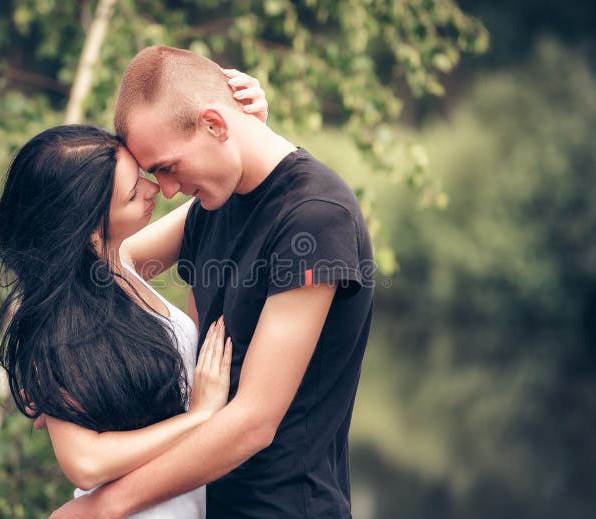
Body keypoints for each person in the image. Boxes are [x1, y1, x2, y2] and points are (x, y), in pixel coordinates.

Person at [51, 46, 374, 519]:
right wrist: (49, 370)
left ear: (215, 125)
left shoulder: (315, 217)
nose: (165, 190)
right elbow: (91, 267)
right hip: (201, 506)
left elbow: (253, 422)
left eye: (167, 167)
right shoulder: (213, 205)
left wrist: (103, 507)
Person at [0, 72, 269, 518]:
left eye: (141, 175)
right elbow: (85, 463)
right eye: (134, 192)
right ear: (88, 229)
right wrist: (199, 416)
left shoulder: (118, 266)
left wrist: (245, 131)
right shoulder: (64, 324)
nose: (155, 189)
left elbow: (220, 192)